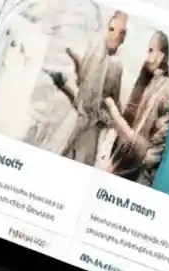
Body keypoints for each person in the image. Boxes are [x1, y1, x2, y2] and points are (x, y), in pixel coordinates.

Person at [48, 10, 127, 164]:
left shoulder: (116, 66)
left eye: (119, 32)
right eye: (111, 29)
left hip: (90, 133)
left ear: (123, 36)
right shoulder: (97, 55)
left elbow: (112, 107)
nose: (113, 35)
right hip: (78, 126)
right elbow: (82, 92)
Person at [103, 30, 169, 186]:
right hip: (128, 164)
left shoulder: (168, 91)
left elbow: (152, 152)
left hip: (140, 175)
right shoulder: (151, 83)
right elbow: (132, 121)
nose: (147, 57)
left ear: (162, 55)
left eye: (151, 51)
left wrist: (114, 113)